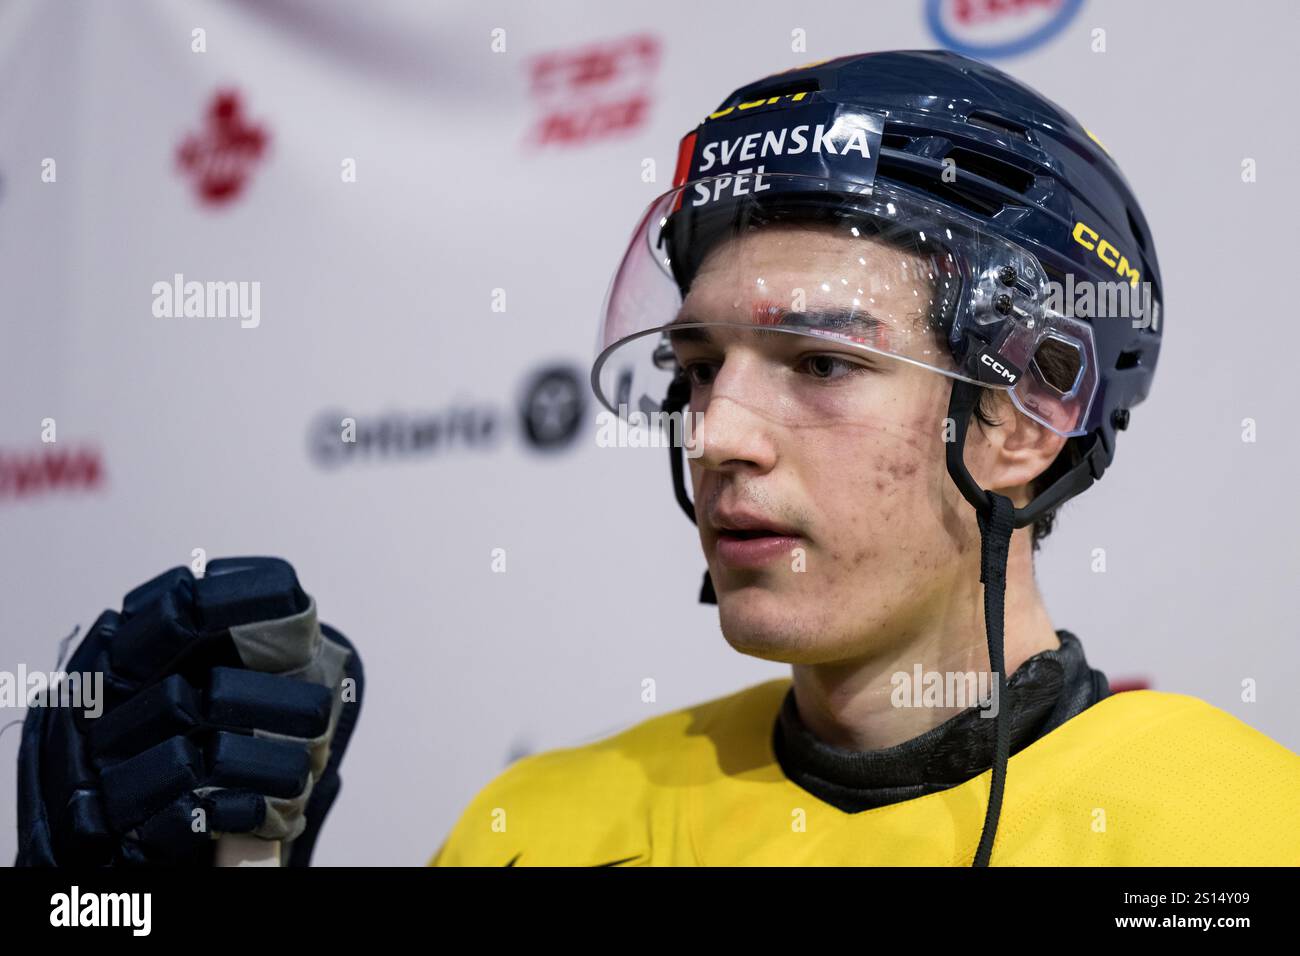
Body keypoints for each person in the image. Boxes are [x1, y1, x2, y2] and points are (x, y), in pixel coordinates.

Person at [429, 50, 1300, 866]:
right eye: (700, 370)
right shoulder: (536, 829)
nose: (718, 436)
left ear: (1025, 421)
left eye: (821, 364)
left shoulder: (1233, 833)